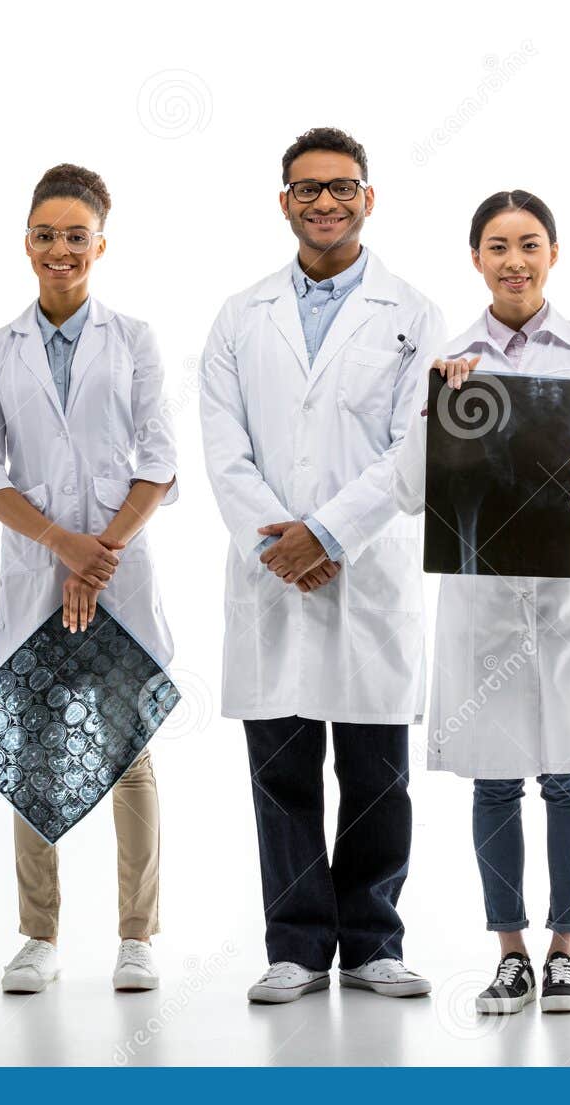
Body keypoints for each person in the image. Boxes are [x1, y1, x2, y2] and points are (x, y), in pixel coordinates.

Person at [199, 127, 446, 1004]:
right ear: (284, 202)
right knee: (283, 769)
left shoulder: (413, 314)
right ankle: (297, 945)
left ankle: (375, 938)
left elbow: (415, 449)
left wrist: (330, 535)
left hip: (365, 569)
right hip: (273, 570)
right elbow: (223, 445)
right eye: (308, 189)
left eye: (342, 187)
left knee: (378, 772)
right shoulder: (240, 313)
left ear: (369, 197)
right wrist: (281, 542)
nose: (325, 202)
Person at [393, 191, 570, 1014]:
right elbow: (408, 486)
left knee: (568, 775)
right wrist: (438, 403)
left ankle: (567, 949)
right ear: (474, 259)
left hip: (567, 588)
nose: (514, 259)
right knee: (495, 779)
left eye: (529, 244)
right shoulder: (446, 355)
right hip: (483, 592)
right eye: (497, 245)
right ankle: (510, 953)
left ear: (554, 253)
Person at [0, 163, 176, 994]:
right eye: (46, 235)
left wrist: (97, 558)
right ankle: (39, 935)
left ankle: (137, 935)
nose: (61, 249)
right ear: (26, 243)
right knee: (37, 755)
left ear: (100, 244)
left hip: (117, 570)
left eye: (76, 236)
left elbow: (157, 463)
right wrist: (63, 549)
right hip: (34, 569)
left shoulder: (136, 340)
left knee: (128, 755)